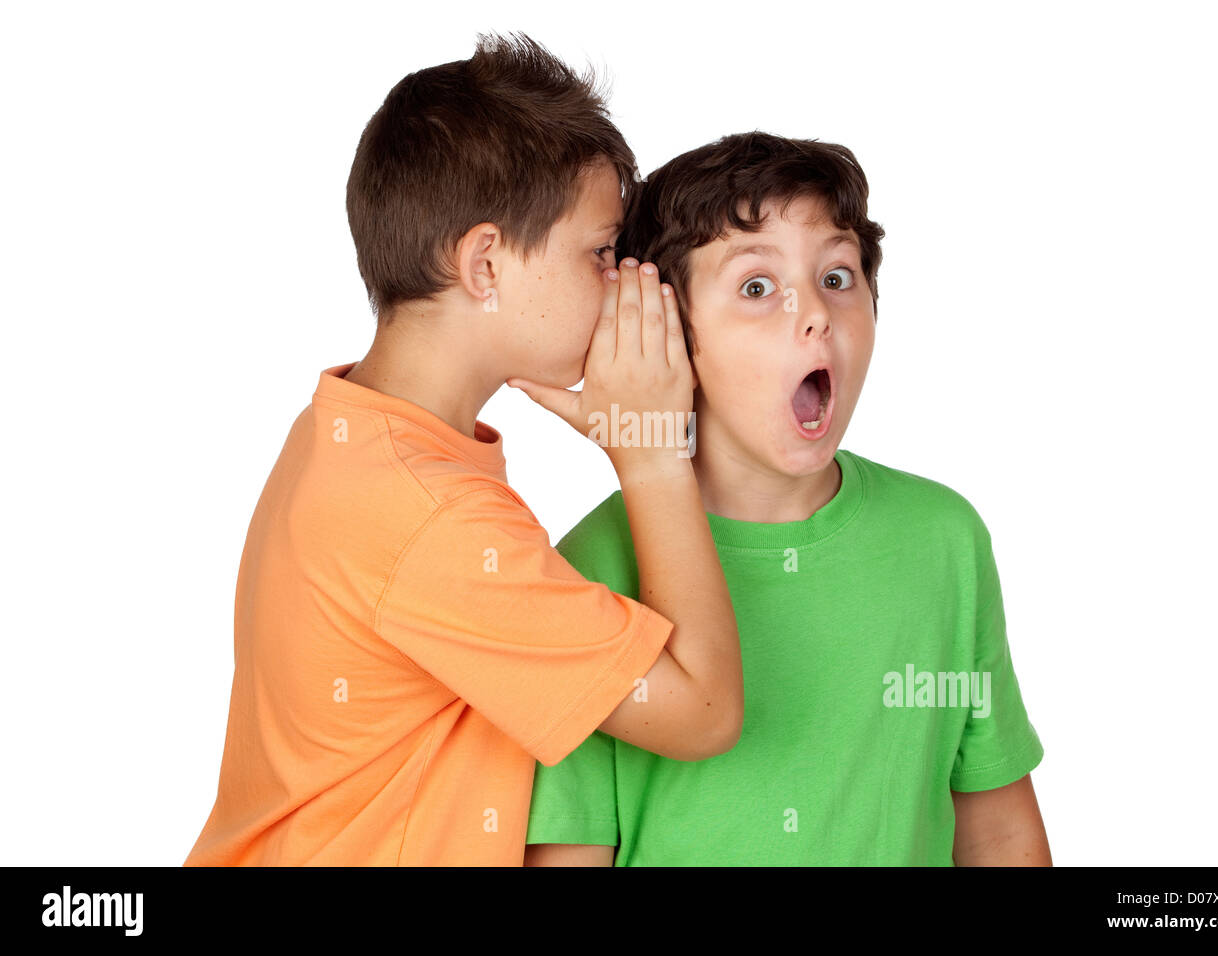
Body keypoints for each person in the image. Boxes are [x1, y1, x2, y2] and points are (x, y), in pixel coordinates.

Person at [185, 34, 742, 866]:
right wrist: (652, 452)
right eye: (598, 252)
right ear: (485, 264)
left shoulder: (350, 431)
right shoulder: (429, 514)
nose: (620, 280)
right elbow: (703, 712)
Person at [524, 132, 1050, 866]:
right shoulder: (588, 572)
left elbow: (998, 830)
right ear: (664, 333)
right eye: (756, 287)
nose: (815, 313)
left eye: (837, 276)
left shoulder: (945, 539)